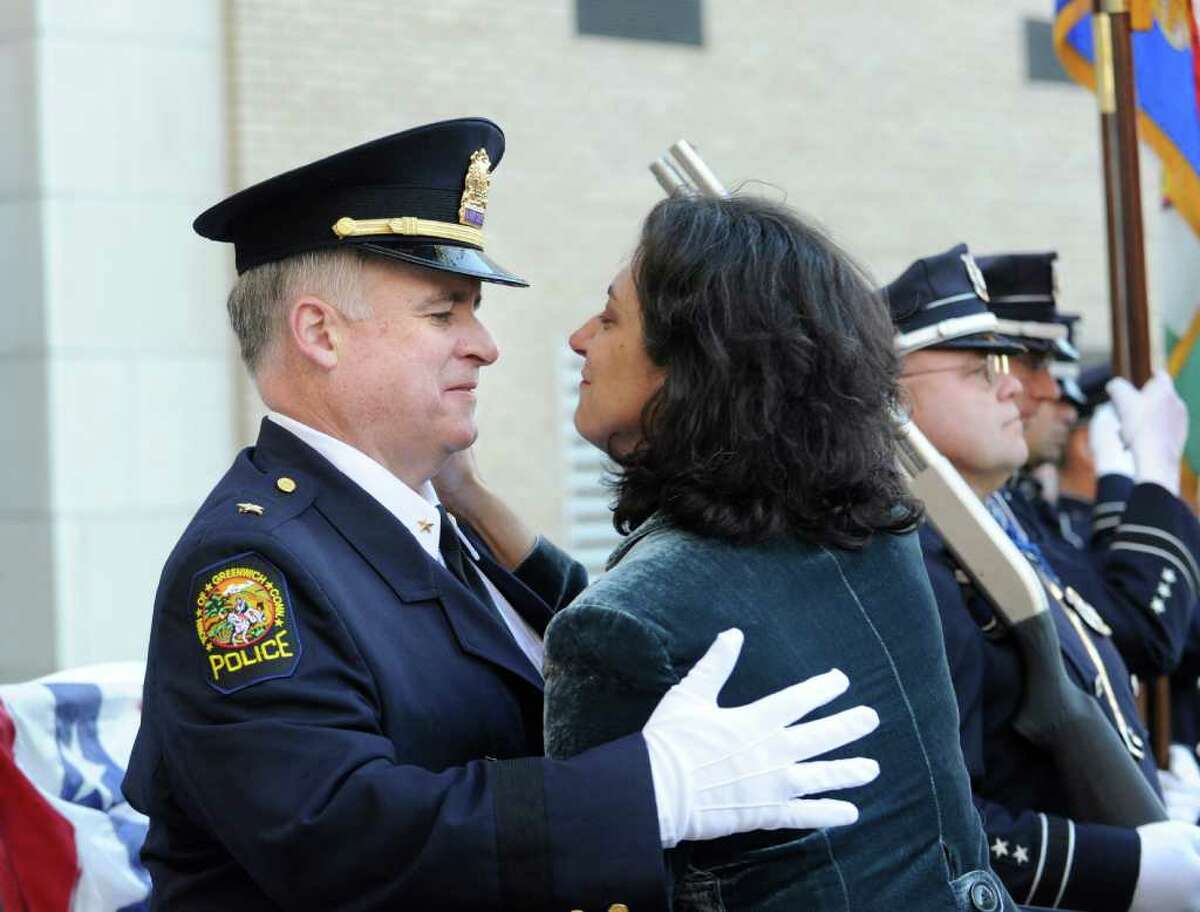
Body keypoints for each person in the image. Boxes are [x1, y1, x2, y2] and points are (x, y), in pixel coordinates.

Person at [120, 119, 885, 910]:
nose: (486, 346)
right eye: (444, 313)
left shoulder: (423, 517)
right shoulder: (251, 567)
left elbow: (573, 641)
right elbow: (337, 838)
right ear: (320, 333)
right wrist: (651, 791)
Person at [462, 194, 1009, 911]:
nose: (577, 339)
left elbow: (596, 885)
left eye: (611, 317)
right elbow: (667, 603)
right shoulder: (873, 532)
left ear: (692, 362)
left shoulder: (631, 621)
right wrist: (468, 499)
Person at [890, 243, 1200, 912]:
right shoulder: (916, 563)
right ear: (892, 398)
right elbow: (942, 819)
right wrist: (1125, 867)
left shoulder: (1000, 527)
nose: (1020, 388)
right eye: (981, 369)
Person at [976, 252, 1198, 680]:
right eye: (1033, 364)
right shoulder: (990, 510)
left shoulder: (1010, 506)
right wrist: (1151, 476)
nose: (1050, 393)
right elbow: (1140, 632)